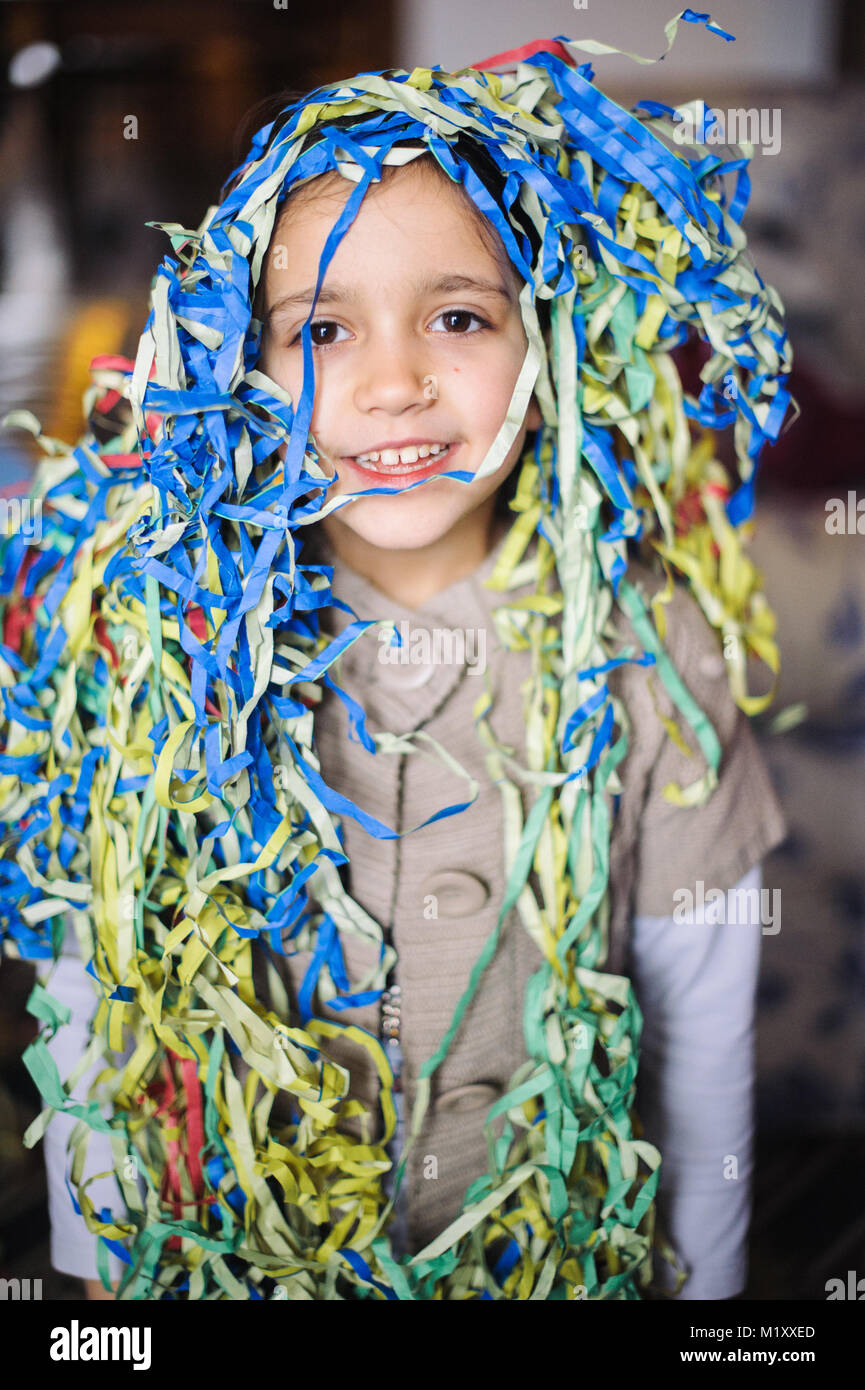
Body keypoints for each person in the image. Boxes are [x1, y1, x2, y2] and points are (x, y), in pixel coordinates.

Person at [4, 12, 791, 1301]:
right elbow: (98, 1001)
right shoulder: (157, 648)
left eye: (461, 320)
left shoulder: (651, 643)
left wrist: (707, 1298)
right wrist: (100, 1286)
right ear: (238, 373)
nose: (392, 385)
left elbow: (702, 1023)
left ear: (547, 354)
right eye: (321, 332)